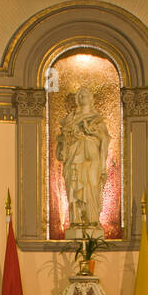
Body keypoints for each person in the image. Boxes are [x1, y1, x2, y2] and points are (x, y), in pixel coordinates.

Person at [56, 86, 110, 229]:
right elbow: (63, 141)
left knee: (91, 184)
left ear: (91, 99)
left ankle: (92, 219)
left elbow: (104, 139)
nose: (83, 95)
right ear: (77, 99)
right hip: (74, 155)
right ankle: (77, 220)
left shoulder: (98, 120)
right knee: (74, 185)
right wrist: (65, 141)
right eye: (80, 94)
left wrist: (91, 132)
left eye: (86, 93)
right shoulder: (70, 119)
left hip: (91, 155)